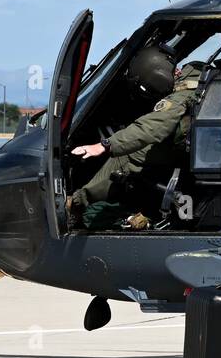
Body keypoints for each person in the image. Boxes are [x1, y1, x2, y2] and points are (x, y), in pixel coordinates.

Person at [65, 46, 201, 227]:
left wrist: (104, 145)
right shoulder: (198, 77)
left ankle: (76, 203)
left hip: (189, 152)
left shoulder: (180, 97)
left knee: (130, 154)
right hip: (198, 149)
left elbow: (151, 126)